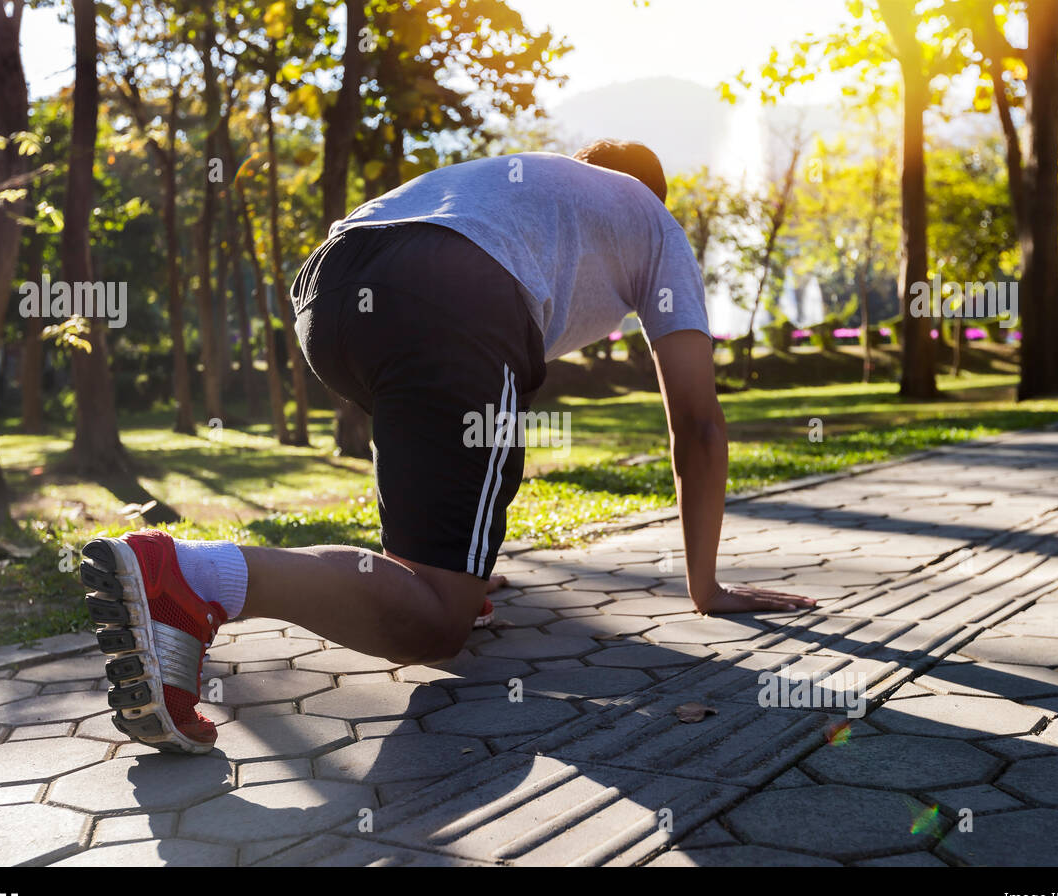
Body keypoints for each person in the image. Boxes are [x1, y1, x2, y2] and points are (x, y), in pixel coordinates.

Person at [77, 140, 816, 755]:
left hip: (328, 295)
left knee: (442, 523)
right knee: (436, 625)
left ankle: (417, 575)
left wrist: (452, 558)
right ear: (653, 192)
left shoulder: (520, 187)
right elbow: (698, 421)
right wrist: (705, 587)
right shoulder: (651, 219)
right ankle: (188, 576)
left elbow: (433, 425)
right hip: (451, 292)